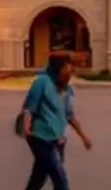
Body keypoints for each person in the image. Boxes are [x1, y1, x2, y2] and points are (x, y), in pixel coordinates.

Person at [22, 54, 80, 190]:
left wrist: (80, 136)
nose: (70, 68)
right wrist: (26, 127)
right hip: (40, 137)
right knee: (61, 180)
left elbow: (67, 115)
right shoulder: (41, 82)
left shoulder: (66, 87)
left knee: (39, 177)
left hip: (56, 139)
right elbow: (29, 107)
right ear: (58, 67)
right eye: (67, 65)